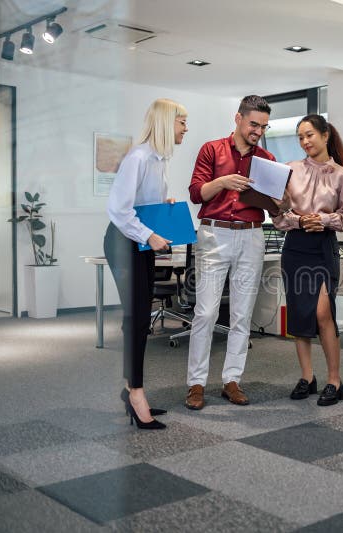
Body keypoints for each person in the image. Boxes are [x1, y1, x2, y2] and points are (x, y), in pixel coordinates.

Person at [185, 95, 276, 410]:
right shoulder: (211, 150)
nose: (258, 131)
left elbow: (275, 208)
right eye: (254, 124)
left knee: (241, 314)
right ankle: (196, 383)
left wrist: (284, 200)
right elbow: (197, 194)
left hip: (251, 236)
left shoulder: (266, 158)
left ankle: (232, 380)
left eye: (263, 126)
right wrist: (223, 181)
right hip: (214, 232)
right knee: (206, 312)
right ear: (238, 119)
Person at [104, 98, 189, 430]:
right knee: (137, 318)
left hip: (139, 241)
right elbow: (118, 210)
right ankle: (136, 393)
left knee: (138, 318)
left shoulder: (158, 160)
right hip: (124, 241)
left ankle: (131, 389)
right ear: (168, 123)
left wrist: (162, 202)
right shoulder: (138, 157)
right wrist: (149, 234)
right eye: (182, 122)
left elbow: (140, 203)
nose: (185, 129)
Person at [272, 114, 343, 406]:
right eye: (300, 137)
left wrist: (322, 219)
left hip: (323, 247)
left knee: (322, 313)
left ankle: (335, 379)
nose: (305, 141)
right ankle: (307, 377)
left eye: (310, 135)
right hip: (295, 247)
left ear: (325, 135)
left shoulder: (342, 174)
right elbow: (278, 216)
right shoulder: (290, 170)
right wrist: (298, 221)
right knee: (299, 313)